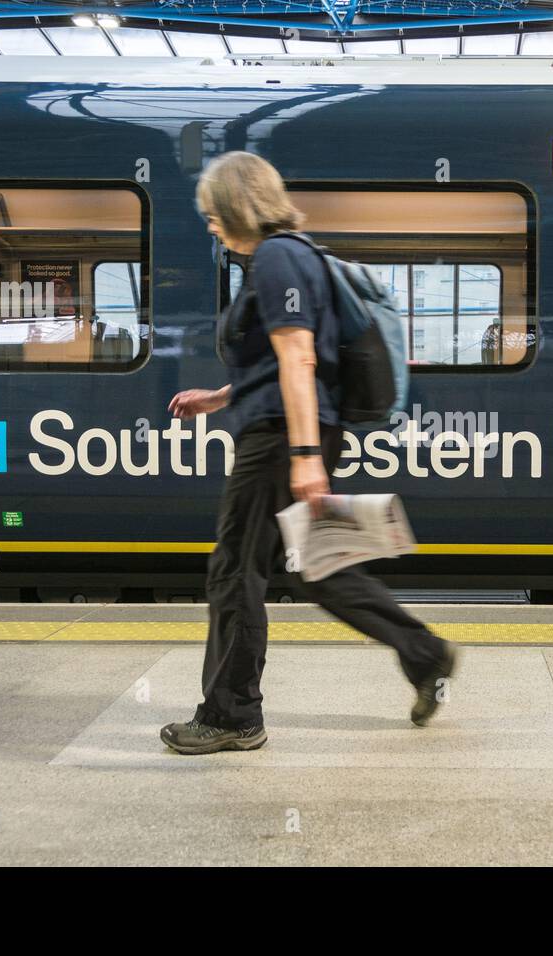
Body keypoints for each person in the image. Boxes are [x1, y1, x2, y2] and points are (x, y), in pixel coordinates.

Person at [160, 151, 457, 755]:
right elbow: (282, 361)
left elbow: (299, 358)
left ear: (236, 205)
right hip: (290, 430)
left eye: (212, 213)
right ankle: (425, 654)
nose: (210, 225)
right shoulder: (291, 256)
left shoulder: (277, 258)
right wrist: (218, 400)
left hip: (280, 440)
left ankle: (231, 715)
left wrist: (303, 456)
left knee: (235, 570)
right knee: (316, 567)